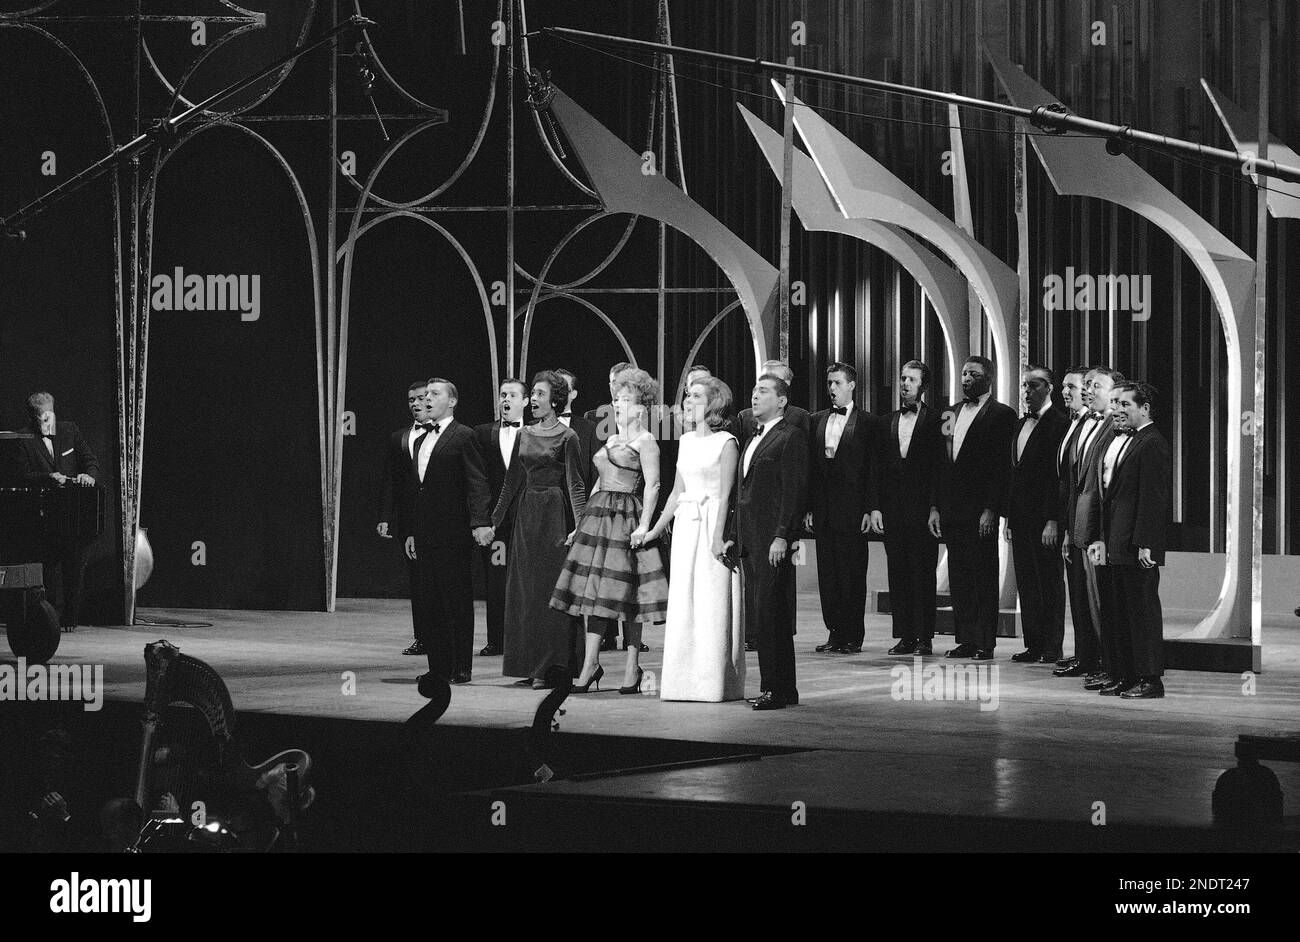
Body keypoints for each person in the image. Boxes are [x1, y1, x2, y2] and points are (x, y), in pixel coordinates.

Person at [552, 367, 669, 694]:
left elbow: (654, 485)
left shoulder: (646, 440)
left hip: (626, 516)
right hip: (600, 517)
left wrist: (645, 525)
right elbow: (600, 482)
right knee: (595, 594)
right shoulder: (613, 438)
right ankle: (591, 664)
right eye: (616, 398)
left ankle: (631, 668)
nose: (617, 404)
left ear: (641, 407)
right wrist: (581, 524)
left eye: (625, 399)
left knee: (626, 594)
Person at [649, 375, 745, 702]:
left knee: (711, 603)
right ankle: (682, 683)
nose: (688, 401)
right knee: (685, 603)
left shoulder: (727, 442)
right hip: (687, 528)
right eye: (688, 396)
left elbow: (725, 495)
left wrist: (717, 537)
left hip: (710, 528)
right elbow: (677, 492)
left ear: (714, 404)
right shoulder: (686, 440)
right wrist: (655, 528)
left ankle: (714, 684)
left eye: (697, 396)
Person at [489, 371, 587, 689]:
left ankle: (551, 667)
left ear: (555, 400)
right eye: (533, 393)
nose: (533, 399)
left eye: (540, 394)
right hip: (526, 516)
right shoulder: (525, 434)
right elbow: (511, 481)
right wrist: (493, 520)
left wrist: (582, 526)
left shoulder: (567, 437)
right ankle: (530, 665)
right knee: (526, 591)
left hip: (554, 515)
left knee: (550, 592)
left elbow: (575, 484)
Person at [400, 379, 494, 687]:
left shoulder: (464, 436)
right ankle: (437, 666)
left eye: (434, 394)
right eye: (425, 394)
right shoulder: (420, 438)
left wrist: (480, 522)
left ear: (451, 401)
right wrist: (412, 530)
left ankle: (460, 667)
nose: (427, 399)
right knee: (430, 602)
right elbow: (418, 490)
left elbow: (477, 483)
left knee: (456, 600)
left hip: (453, 533)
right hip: (425, 532)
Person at [726, 373, 808, 710]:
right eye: (754, 390)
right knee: (763, 615)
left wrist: (782, 536)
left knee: (770, 614)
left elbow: (794, 493)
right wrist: (733, 534)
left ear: (781, 400)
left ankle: (774, 687)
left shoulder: (791, 437)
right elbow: (741, 494)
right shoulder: (751, 439)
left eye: (763, 392)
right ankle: (783, 688)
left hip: (772, 540)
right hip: (750, 539)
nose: (754, 397)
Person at [1085, 382, 1170, 699]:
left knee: (1142, 613)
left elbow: (1154, 499)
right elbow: (1105, 497)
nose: (1117, 409)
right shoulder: (1114, 441)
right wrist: (1098, 538)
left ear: (1144, 408)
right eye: (1115, 403)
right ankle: (1122, 674)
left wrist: (1148, 543)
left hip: (1137, 547)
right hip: (1114, 544)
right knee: (1117, 612)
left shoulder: (1152, 443)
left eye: (1125, 405)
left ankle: (1150, 679)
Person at [930, 356, 1016, 660]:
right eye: (964, 373)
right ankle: (965, 638)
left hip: (980, 510)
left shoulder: (1003, 415)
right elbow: (940, 463)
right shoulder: (949, 412)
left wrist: (992, 509)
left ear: (988, 379)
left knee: (983, 576)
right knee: (960, 575)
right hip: (951, 509)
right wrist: (935, 507)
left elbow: (1001, 468)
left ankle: (984, 641)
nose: (966, 379)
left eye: (974, 374)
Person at [872, 360, 945, 656]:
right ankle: (904, 636)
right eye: (902, 378)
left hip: (922, 511)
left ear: (923, 386)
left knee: (923, 574)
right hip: (893, 510)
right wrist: (875, 507)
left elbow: (940, 469)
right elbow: (877, 469)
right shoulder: (885, 421)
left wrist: (935, 508)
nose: (904, 384)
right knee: (898, 574)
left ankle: (924, 637)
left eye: (911, 380)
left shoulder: (937, 420)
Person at [805, 362, 878, 654]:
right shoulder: (816, 420)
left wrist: (871, 508)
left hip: (853, 510)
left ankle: (852, 635)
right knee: (828, 575)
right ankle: (834, 632)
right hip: (823, 510)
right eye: (829, 383)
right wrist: (809, 508)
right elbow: (811, 469)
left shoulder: (869, 422)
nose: (832, 388)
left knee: (852, 574)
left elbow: (873, 469)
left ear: (852, 385)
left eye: (837, 382)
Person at [16, 392, 100, 630]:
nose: (48, 422)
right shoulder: (24, 439)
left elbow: (90, 461)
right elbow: (23, 475)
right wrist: (48, 478)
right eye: (42, 418)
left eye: (50, 415)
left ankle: (71, 618)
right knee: (49, 570)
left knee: (76, 564)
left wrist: (89, 476)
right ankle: (49, 619)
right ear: (33, 417)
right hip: (44, 514)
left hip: (74, 512)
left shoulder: (69, 430)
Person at [1062, 366, 1124, 688]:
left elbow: (1104, 488)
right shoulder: (1087, 423)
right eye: (1087, 384)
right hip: (1082, 526)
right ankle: (1095, 659)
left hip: (1100, 530)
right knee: (1089, 600)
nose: (1088, 390)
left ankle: (1107, 663)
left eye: (1095, 385)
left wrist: (1099, 533)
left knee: (1104, 603)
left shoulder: (1116, 427)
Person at [1005, 365, 1069, 664]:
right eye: (1025, 386)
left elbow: (1057, 478)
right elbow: (1013, 474)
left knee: (1049, 583)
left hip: (1045, 519)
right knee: (1027, 582)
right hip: (1020, 518)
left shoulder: (1060, 423)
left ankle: (1052, 646)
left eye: (1034, 386)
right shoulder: (1019, 424)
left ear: (1049, 388)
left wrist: (1053, 519)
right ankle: (1033, 644)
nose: (1028, 391)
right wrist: (1008, 516)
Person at [379, 381, 436, 657]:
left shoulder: (442, 435)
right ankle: (422, 637)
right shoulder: (399, 437)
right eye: (411, 399)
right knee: (417, 579)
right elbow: (391, 480)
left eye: (421, 398)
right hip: (408, 518)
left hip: (437, 517)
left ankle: (441, 636)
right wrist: (385, 516)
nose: (415, 404)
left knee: (436, 579)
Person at [472, 378, 528, 658]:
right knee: (495, 582)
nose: (506, 400)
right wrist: (481, 521)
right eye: (503, 395)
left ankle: (524, 640)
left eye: (513, 395)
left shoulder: (535, 433)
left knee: (526, 582)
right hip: (495, 523)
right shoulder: (482, 434)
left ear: (526, 402)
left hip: (527, 520)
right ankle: (496, 639)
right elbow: (477, 481)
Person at [1052, 366, 1101, 676]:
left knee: (1089, 598)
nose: (1067, 392)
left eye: (1073, 386)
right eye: (1065, 387)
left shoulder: (1093, 424)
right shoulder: (1075, 425)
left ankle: (1092, 657)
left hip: (1086, 525)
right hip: (1073, 523)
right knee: (1079, 596)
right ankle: (1084, 653)